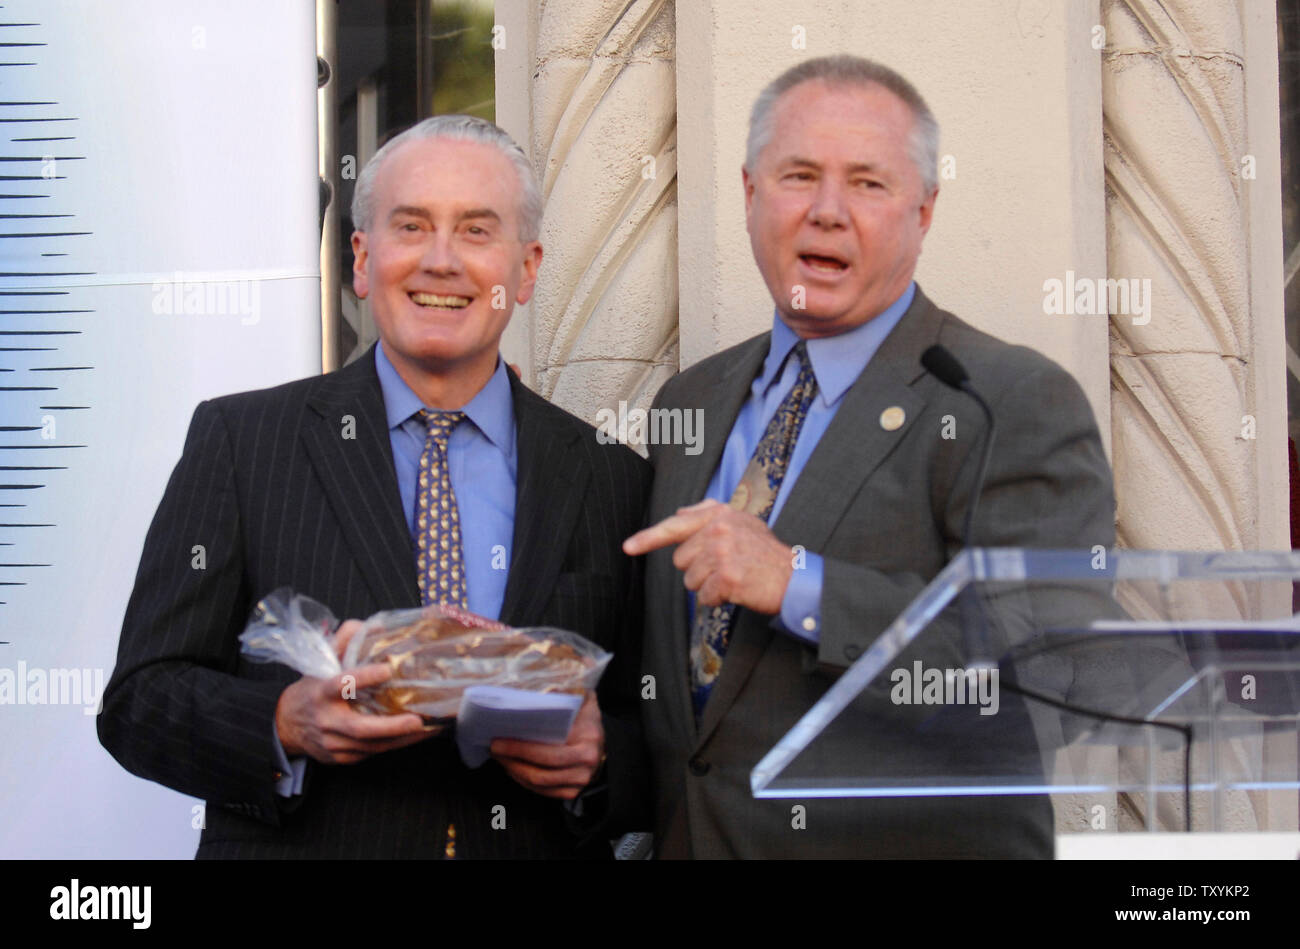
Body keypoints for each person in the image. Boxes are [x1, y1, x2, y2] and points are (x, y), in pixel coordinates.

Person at [98, 115, 651, 859]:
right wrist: (285, 721)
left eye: (477, 230)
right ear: (362, 259)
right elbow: (138, 701)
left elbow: (669, 733)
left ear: (526, 270)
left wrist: (605, 757)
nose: (442, 260)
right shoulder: (242, 442)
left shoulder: (611, 475)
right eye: (412, 226)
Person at [623, 56, 1115, 858]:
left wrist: (798, 584)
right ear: (750, 195)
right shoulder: (692, 400)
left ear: (924, 212)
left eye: (868, 184)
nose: (826, 212)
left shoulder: (1007, 398)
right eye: (799, 175)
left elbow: (1052, 679)